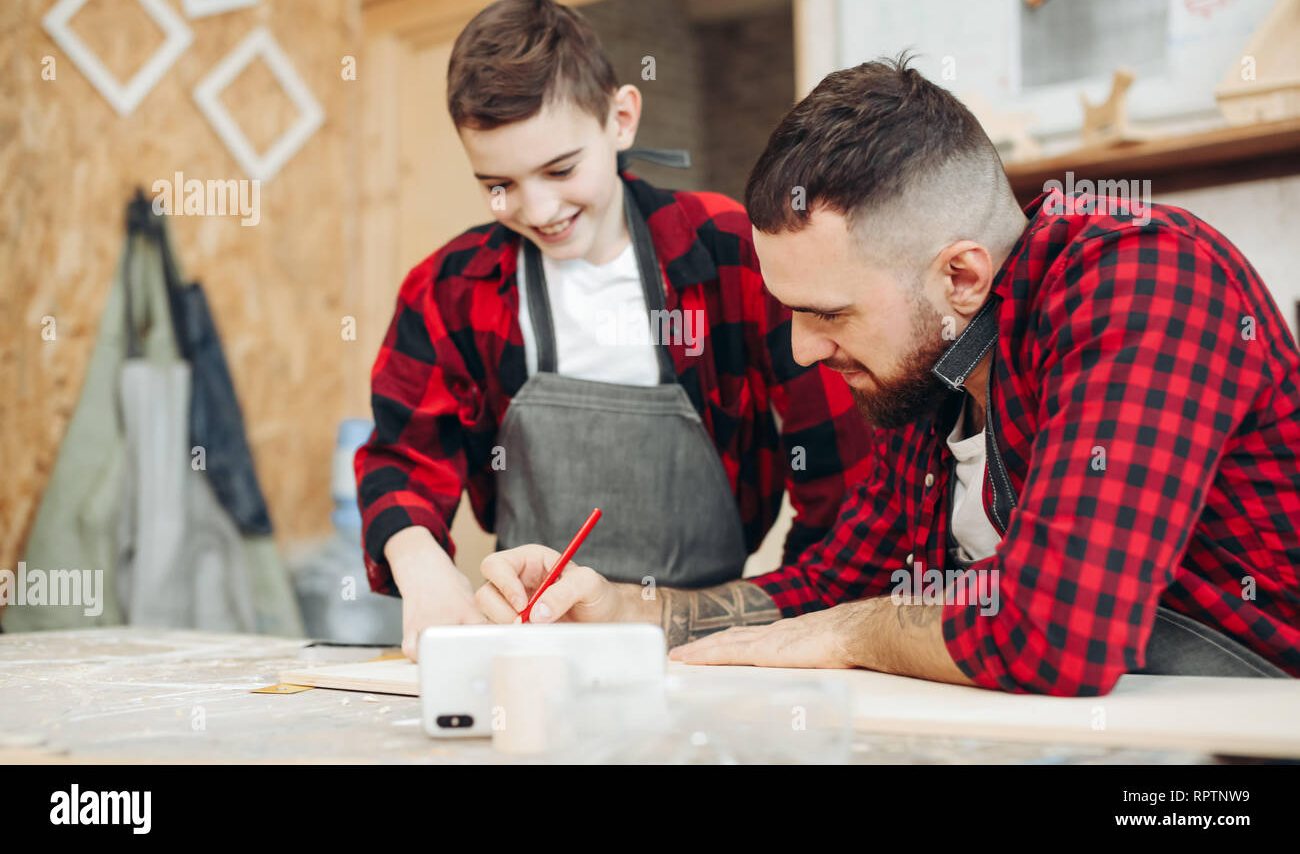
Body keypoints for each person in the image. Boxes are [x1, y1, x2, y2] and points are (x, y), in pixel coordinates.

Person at [476, 55, 1300, 696]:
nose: (800, 351)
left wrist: (852, 634)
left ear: (962, 278)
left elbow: (1054, 634)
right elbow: (830, 586)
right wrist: (626, 610)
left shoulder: (1145, 276)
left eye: (829, 315)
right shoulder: (926, 383)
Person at [355, 0, 875, 660]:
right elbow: (403, 460)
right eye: (498, 185)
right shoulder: (451, 289)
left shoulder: (727, 251)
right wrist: (422, 567)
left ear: (621, 119)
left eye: (560, 169)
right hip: (537, 653)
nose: (537, 209)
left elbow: (845, 486)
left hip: (701, 642)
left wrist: (795, 620)